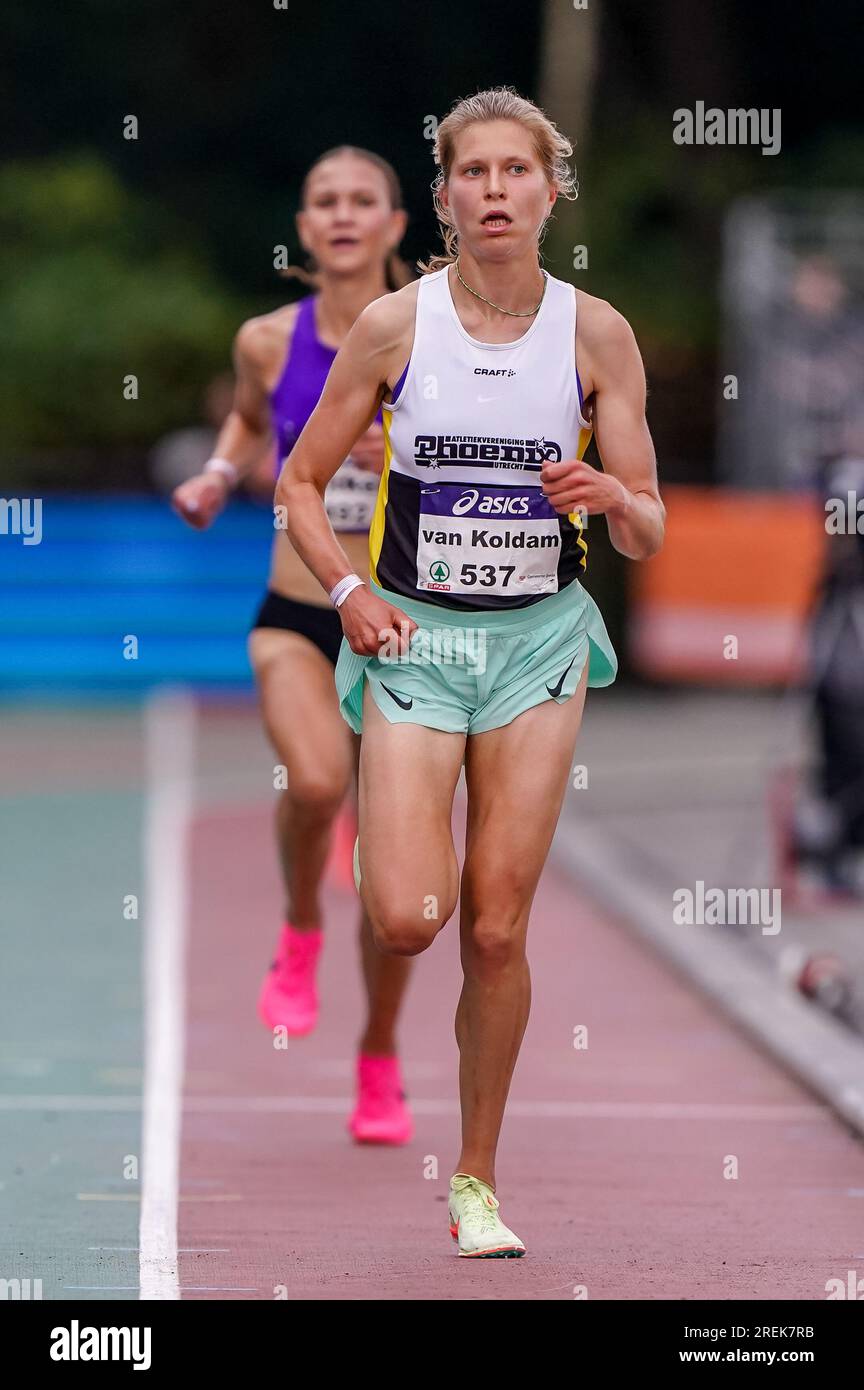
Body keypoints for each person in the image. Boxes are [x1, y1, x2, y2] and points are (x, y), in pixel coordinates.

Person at [276, 87, 665, 1256]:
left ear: (552, 190)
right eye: (473, 173)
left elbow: (648, 527)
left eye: (517, 171)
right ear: (442, 197)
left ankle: (477, 1181)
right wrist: (347, 596)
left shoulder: (597, 334)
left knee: (495, 931)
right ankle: (396, 846)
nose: (495, 190)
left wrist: (611, 497)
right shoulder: (395, 328)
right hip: (416, 641)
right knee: (408, 918)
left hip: (540, 643)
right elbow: (302, 486)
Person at [172, 146, 417, 1143]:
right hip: (298, 609)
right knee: (317, 784)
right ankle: (300, 928)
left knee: (399, 878)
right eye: (326, 201)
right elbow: (243, 422)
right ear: (305, 228)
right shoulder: (267, 339)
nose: (346, 215)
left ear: (398, 225)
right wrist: (220, 475)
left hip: (406, 623)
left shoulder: (437, 341)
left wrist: (396, 449)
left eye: (365, 200)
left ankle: (380, 1058)